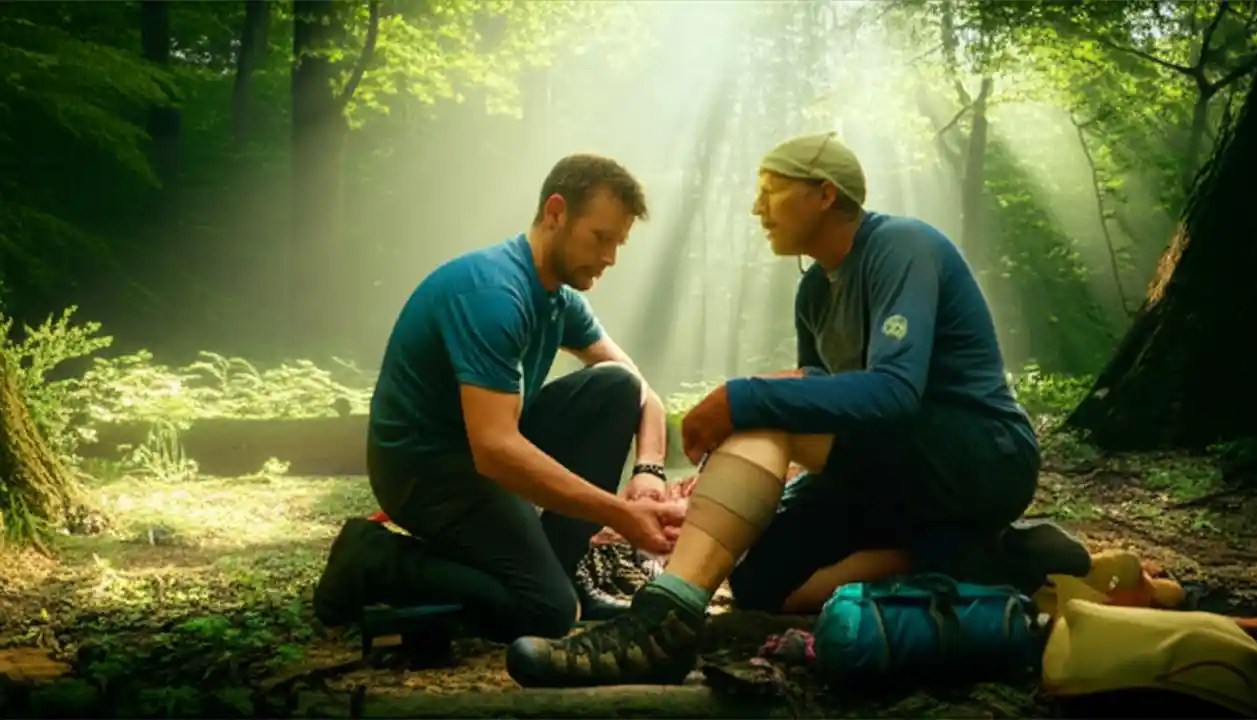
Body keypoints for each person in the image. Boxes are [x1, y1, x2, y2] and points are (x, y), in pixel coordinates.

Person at [503, 131, 1092, 688]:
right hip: (894, 473)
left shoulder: (901, 246)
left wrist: (744, 396)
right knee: (764, 581)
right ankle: (978, 557)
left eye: (771, 191)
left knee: (764, 409)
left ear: (824, 194)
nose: (759, 208)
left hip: (982, 454)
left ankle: (661, 625)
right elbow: (823, 400)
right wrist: (722, 491)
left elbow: (893, 392)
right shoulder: (814, 291)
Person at [311, 153, 686, 643]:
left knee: (615, 386)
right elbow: (494, 450)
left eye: (619, 243)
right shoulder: (493, 294)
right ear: (556, 213)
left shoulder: (559, 299)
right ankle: (373, 559)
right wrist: (620, 515)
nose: (610, 257)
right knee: (545, 614)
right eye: (601, 237)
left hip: (483, 454)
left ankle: (560, 573)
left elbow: (641, 392)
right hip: (424, 472)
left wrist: (649, 471)